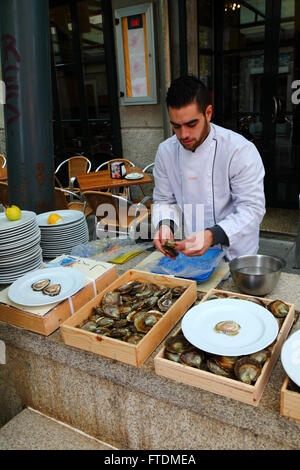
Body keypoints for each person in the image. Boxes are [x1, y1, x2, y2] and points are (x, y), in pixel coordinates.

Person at [152, 75, 266, 261]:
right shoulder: (166, 151)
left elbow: (252, 209)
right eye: (176, 126)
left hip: (235, 257)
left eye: (191, 124)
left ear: (208, 113)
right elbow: (164, 200)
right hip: (192, 255)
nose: (184, 134)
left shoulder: (239, 150)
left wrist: (211, 235)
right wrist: (165, 226)